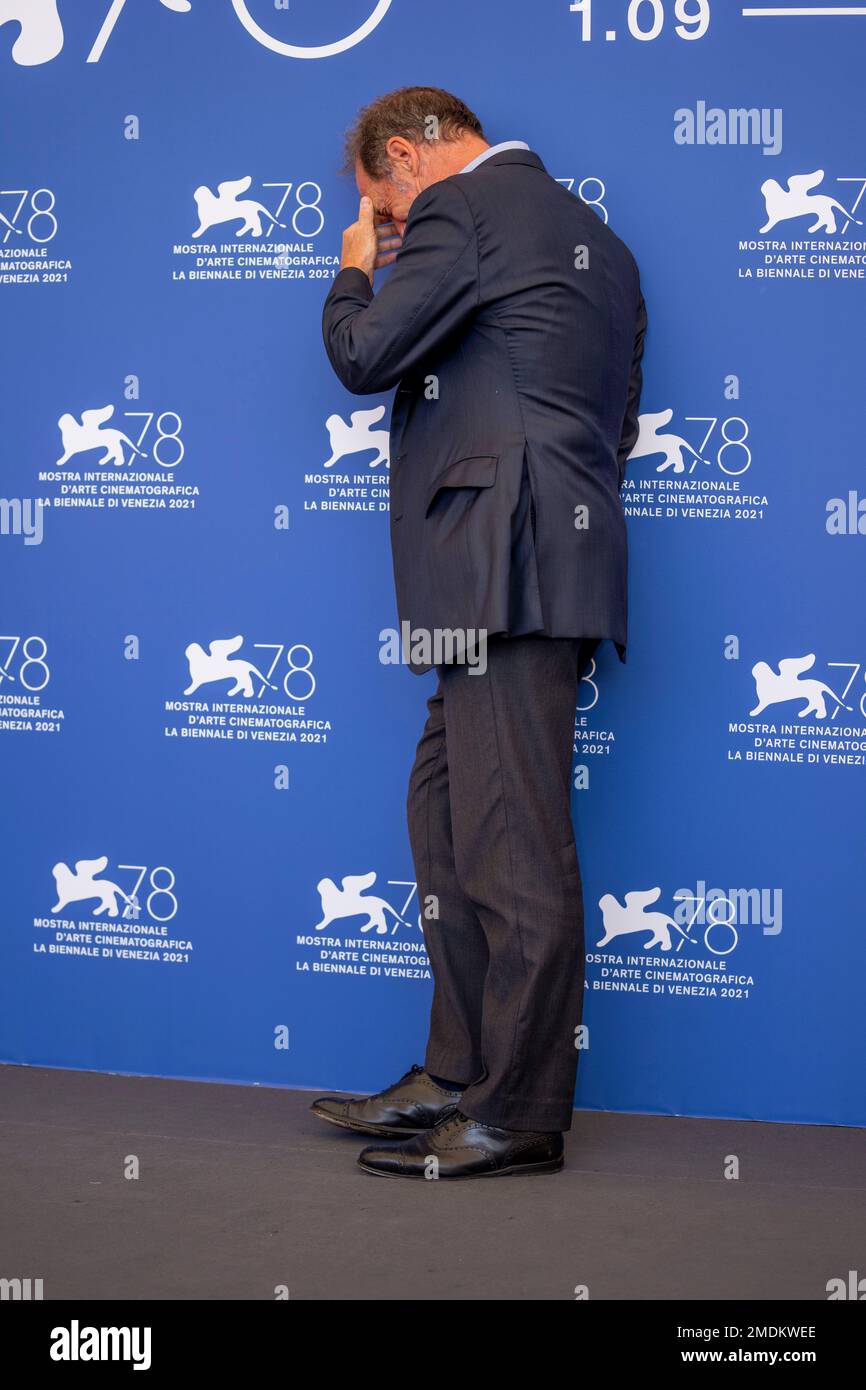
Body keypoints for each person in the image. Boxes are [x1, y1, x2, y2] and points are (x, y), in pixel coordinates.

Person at [314, 87, 647, 1179]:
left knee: (509, 843)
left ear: (406, 156)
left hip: (505, 569)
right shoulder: (599, 241)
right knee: (447, 813)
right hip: (534, 562)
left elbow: (365, 353)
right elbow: (615, 424)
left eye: (386, 204)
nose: (397, 231)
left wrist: (360, 259)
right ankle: (456, 1074)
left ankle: (518, 1109)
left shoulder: (463, 210)